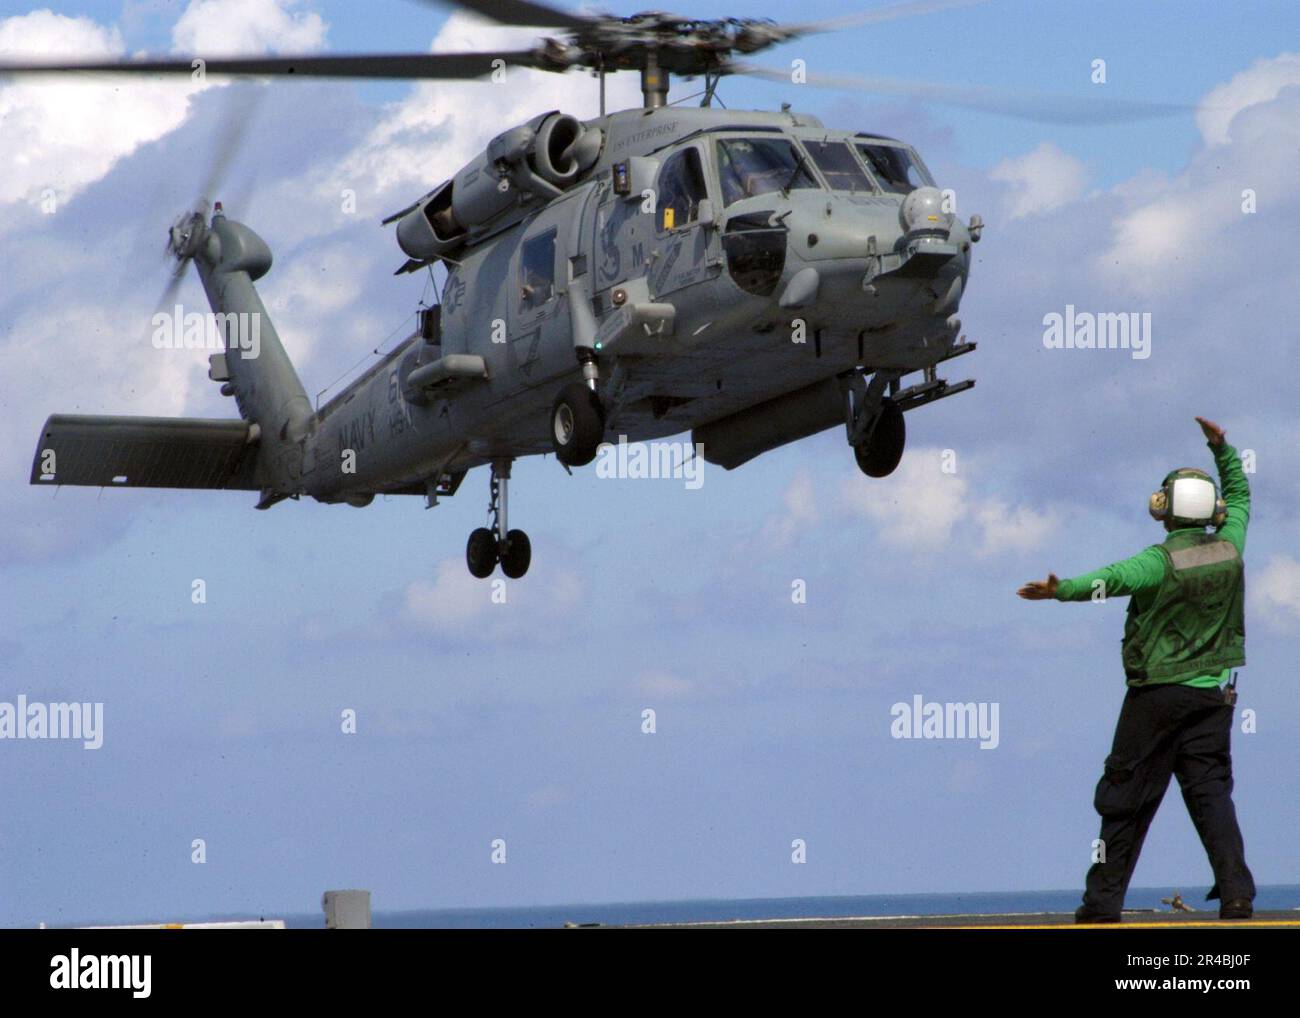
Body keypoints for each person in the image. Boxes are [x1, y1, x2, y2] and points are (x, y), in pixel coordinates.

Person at [1017, 416, 1255, 923]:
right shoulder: (1232, 543)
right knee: (1212, 798)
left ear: (1164, 511)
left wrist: (1061, 590)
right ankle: (1237, 897)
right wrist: (1223, 450)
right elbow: (1241, 496)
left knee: (1125, 798)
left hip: (1156, 700)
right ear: (1212, 512)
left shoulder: (1158, 562)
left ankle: (1102, 903)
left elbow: (1110, 579)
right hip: (1213, 697)